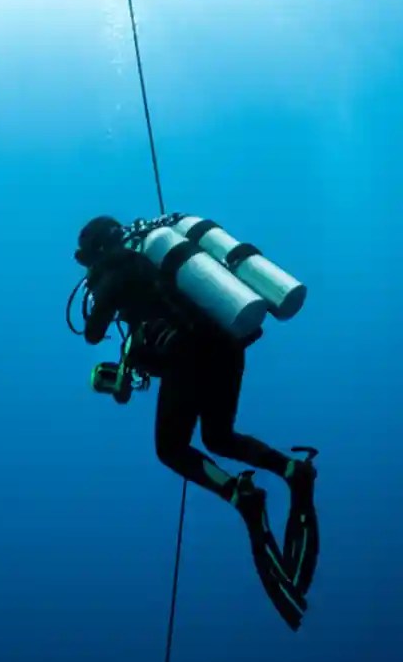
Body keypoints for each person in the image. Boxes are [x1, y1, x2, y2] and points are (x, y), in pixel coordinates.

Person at [72, 215, 320, 630]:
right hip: (226, 342)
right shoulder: (158, 259)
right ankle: (293, 471)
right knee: (220, 436)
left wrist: (98, 295)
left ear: (96, 247)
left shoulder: (112, 266)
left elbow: (93, 333)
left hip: (187, 352)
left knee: (170, 449)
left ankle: (241, 496)